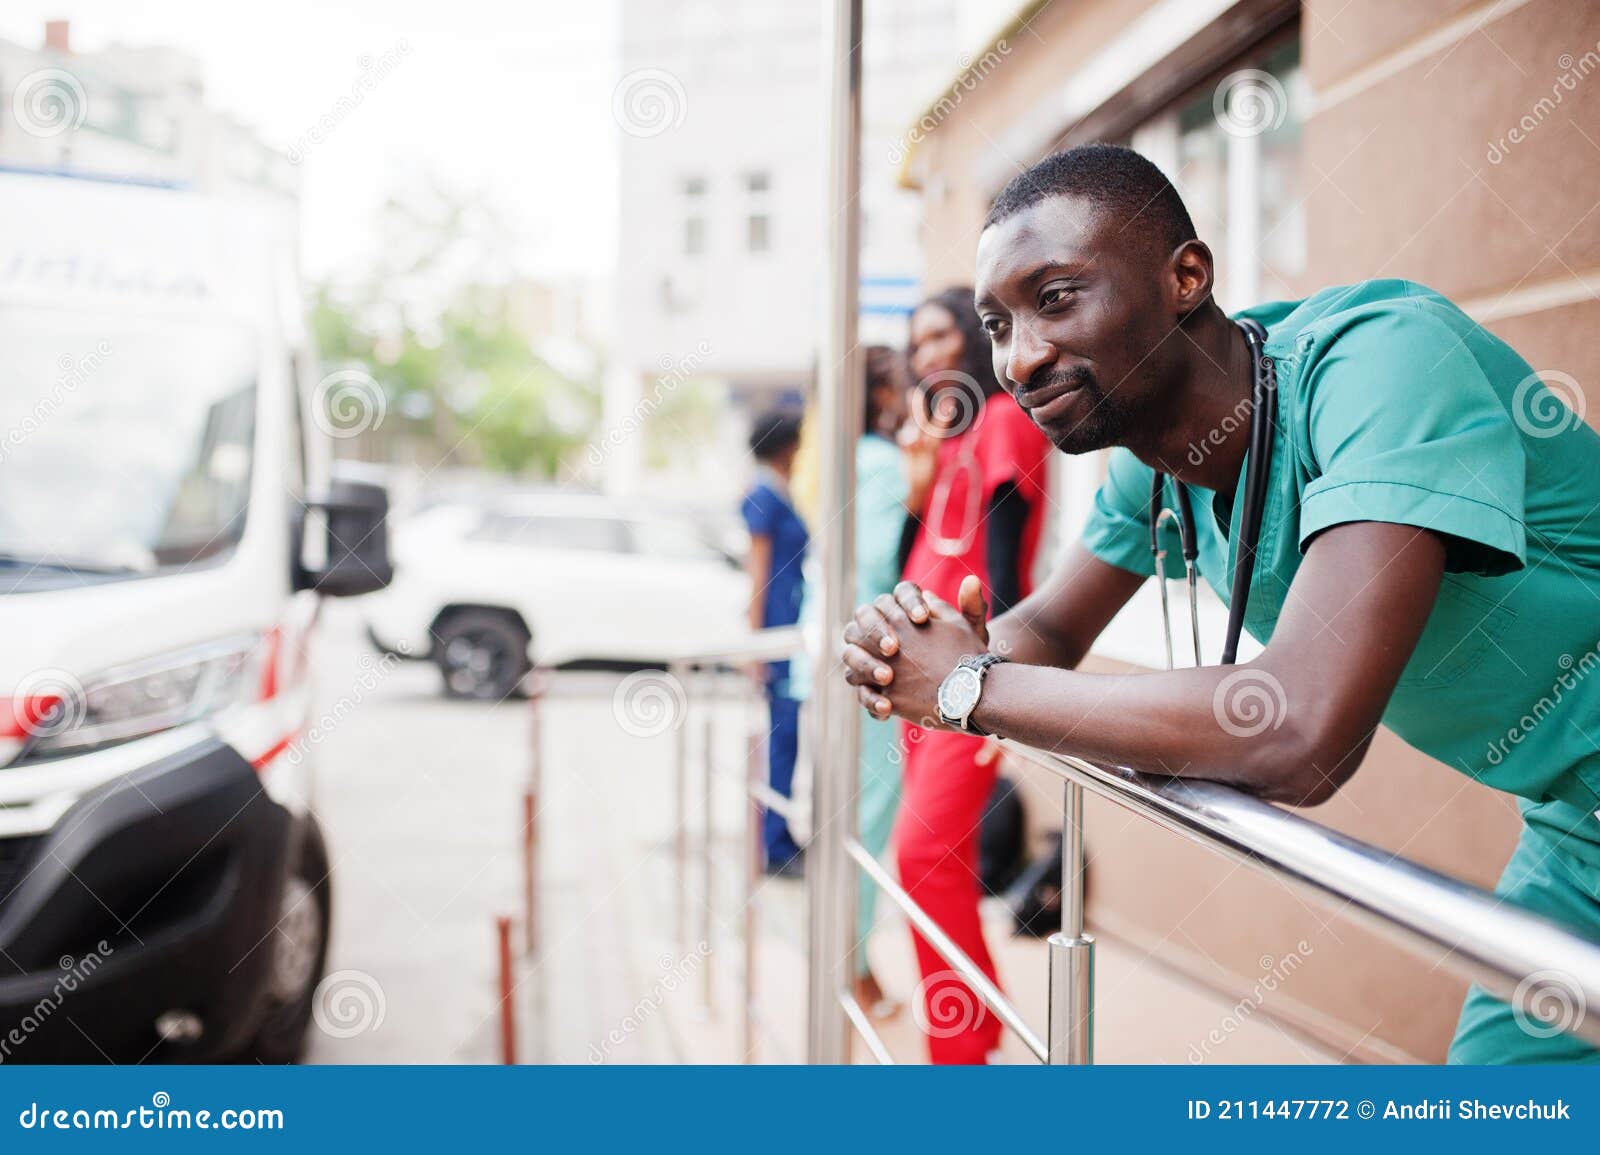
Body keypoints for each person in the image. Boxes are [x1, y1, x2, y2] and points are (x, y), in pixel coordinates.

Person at [840, 144, 1600, 1064]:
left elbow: (1300, 732)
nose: (1020, 358)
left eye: (1056, 297)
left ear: (1187, 276)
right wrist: (917, 651)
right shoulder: (1149, 465)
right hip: (1575, 829)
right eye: (997, 323)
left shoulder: (1381, 362)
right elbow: (1048, 630)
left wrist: (966, 685)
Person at [892, 288, 1052, 1063]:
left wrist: (1008, 691)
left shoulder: (1006, 421)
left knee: (920, 855)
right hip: (919, 679)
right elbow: (911, 564)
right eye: (915, 343)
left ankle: (956, 1052)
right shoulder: (946, 440)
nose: (928, 355)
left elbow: (1008, 568)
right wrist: (915, 489)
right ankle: (974, 1030)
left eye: (940, 335)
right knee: (934, 860)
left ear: (971, 333)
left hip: (970, 679)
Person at [791, 346, 923, 1018]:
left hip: (822, 657)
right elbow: (873, 565)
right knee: (866, 820)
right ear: (879, 393)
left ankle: (842, 960)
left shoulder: (827, 463)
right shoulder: (878, 463)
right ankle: (856, 970)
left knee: (837, 813)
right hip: (866, 662)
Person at [742, 410, 809, 878]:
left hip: (790, 631)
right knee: (781, 737)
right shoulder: (763, 495)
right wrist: (756, 645)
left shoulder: (779, 492)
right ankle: (774, 844)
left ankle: (780, 835)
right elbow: (758, 572)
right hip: (776, 635)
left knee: (788, 735)